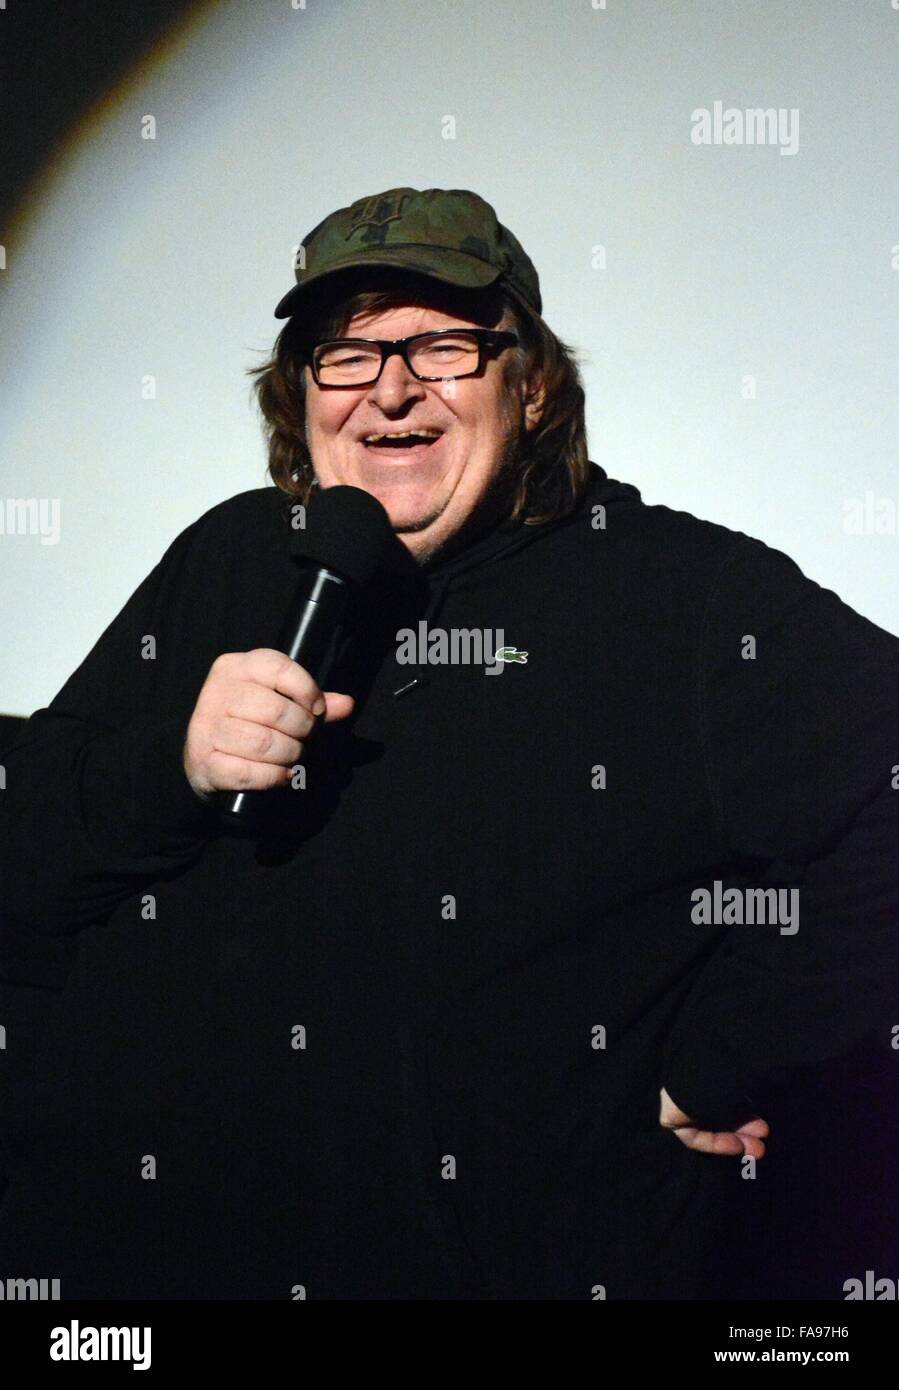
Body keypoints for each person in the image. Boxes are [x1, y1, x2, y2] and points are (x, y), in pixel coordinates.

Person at [1, 185, 898, 1300]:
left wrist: (726, 1054)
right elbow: (20, 857)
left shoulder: (683, 600)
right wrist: (174, 765)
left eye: (442, 346)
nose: (388, 389)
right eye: (347, 352)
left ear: (530, 384)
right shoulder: (233, 558)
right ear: (300, 393)